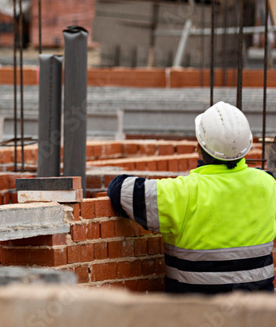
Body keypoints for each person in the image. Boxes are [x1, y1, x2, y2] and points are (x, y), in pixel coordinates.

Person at [109, 101, 276, 294]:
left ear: (199, 145)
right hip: (261, 316)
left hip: (193, 315)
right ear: (246, 145)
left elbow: (119, 189)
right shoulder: (268, 184)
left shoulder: (183, 193)